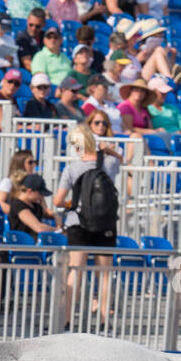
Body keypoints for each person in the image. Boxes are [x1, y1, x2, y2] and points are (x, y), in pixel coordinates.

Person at [53, 121, 119, 329]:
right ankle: (104, 320)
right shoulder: (108, 163)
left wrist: (73, 203)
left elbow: (57, 201)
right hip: (105, 223)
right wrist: (109, 151)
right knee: (105, 273)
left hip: (78, 223)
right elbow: (121, 160)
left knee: (76, 270)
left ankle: (67, 319)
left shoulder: (72, 168)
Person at [0, 149, 37, 214]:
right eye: (30, 162)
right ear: (20, 164)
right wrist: (20, 214)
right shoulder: (8, 182)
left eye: (34, 162)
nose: (34, 165)